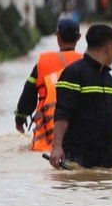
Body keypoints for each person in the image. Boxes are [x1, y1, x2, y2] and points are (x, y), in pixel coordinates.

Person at [49, 23, 112, 171]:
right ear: (109, 48)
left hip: (109, 158)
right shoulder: (74, 74)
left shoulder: (109, 80)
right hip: (79, 156)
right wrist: (57, 147)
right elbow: (63, 114)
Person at [14, 17, 80, 152]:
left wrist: (20, 118)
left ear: (58, 37)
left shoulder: (42, 63)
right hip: (79, 133)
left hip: (46, 133)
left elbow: (28, 94)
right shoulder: (86, 63)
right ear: (78, 37)